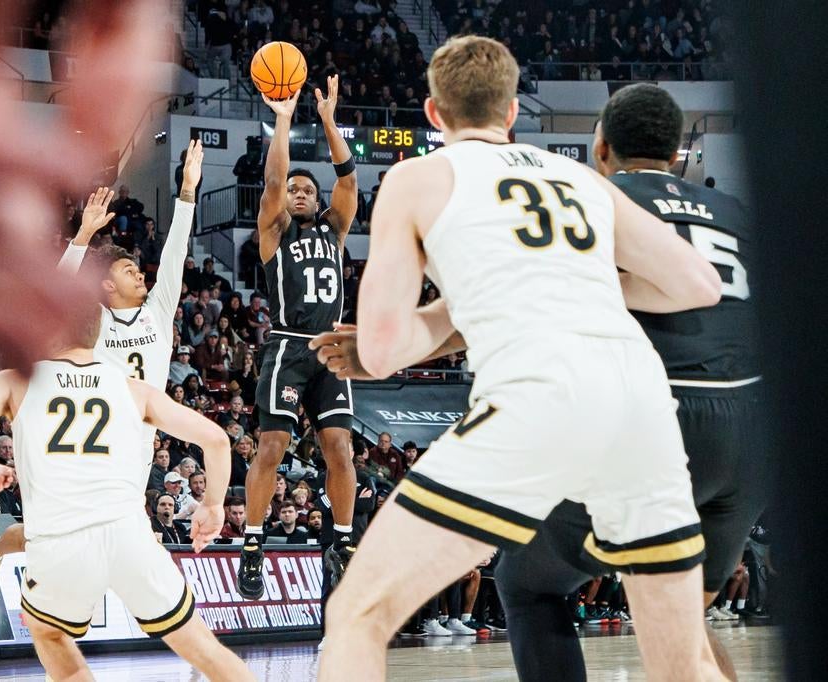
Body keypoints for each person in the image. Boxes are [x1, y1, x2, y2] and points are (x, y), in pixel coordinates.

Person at [313, 37, 724, 681]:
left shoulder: (417, 176)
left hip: (539, 394)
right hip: (641, 397)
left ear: (432, 113)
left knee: (357, 616)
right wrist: (563, 284)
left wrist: (409, 334)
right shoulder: (581, 177)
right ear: (511, 113)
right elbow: (698, 286)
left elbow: (385, 348)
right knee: (682, 666)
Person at [477, 84, 767, 682]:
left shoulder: (588, 199)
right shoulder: (738, 213)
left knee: (526, 582)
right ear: (681, 152)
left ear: (600, 146)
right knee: (683, 630)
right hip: (753, 433)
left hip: (658, 423)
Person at [0, 304, 253, 682]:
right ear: (98, 334)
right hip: (129, 535)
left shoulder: (16, 382)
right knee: (204, 650)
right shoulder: (133, 388)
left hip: (59, 542)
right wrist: (214, 505)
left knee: (50, 634)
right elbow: (217, 440)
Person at [0, 141, 205, 596]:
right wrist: (81, 237)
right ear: (104, 284)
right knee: (52, 534)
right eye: (128, 270)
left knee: (106, 537)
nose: (140, 274)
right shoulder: (89, 324)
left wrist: (188, 191)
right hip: (91, 434)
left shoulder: (159, 310)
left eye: (138, 270)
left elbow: (176, 251)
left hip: (139, 440)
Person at [239, 75, 359, 602]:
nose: (302, 193)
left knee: (341, 449)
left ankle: (344, 542)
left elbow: (349, 181)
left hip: (331, 350)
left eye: (308, 190)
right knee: (272, 447)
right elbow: (272, 184)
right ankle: (252, 543)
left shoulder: (335, 229)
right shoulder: (275, 231)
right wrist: (284, 120)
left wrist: (330, 121)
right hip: (288, 347)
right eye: (296, 189)